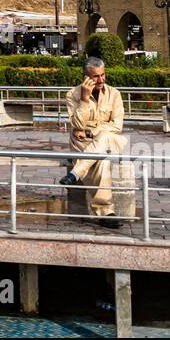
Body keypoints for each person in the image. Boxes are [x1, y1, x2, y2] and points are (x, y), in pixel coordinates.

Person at [58, 57, 128, 229]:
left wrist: (91, 131)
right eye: (96, 76)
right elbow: (77, 125)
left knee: (104, 136)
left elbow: (117, 126)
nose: (101, 80)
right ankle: (106, 212)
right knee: (102, 161)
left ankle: (76, 173)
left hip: (110, 141)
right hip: (83, 144)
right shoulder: (73, 95)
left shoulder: (115, 94)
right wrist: (84, 99)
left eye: (103, 75)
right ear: (86, 77)